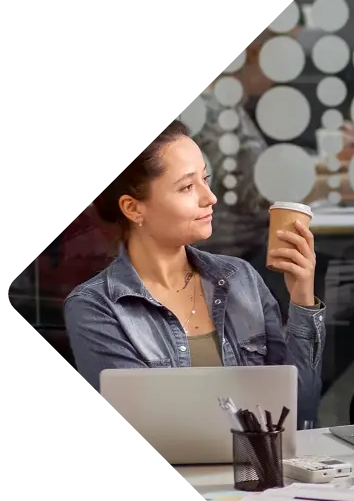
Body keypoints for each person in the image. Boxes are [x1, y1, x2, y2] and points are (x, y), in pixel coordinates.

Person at [62, 119, 328, 428]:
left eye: (206, 179)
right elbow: (146, 428)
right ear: (133, 209)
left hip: (257, 470)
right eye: (188, 187)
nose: (210, 197)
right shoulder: (95, 307)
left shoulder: (241, 278)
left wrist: (302, 298)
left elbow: (299, 412)